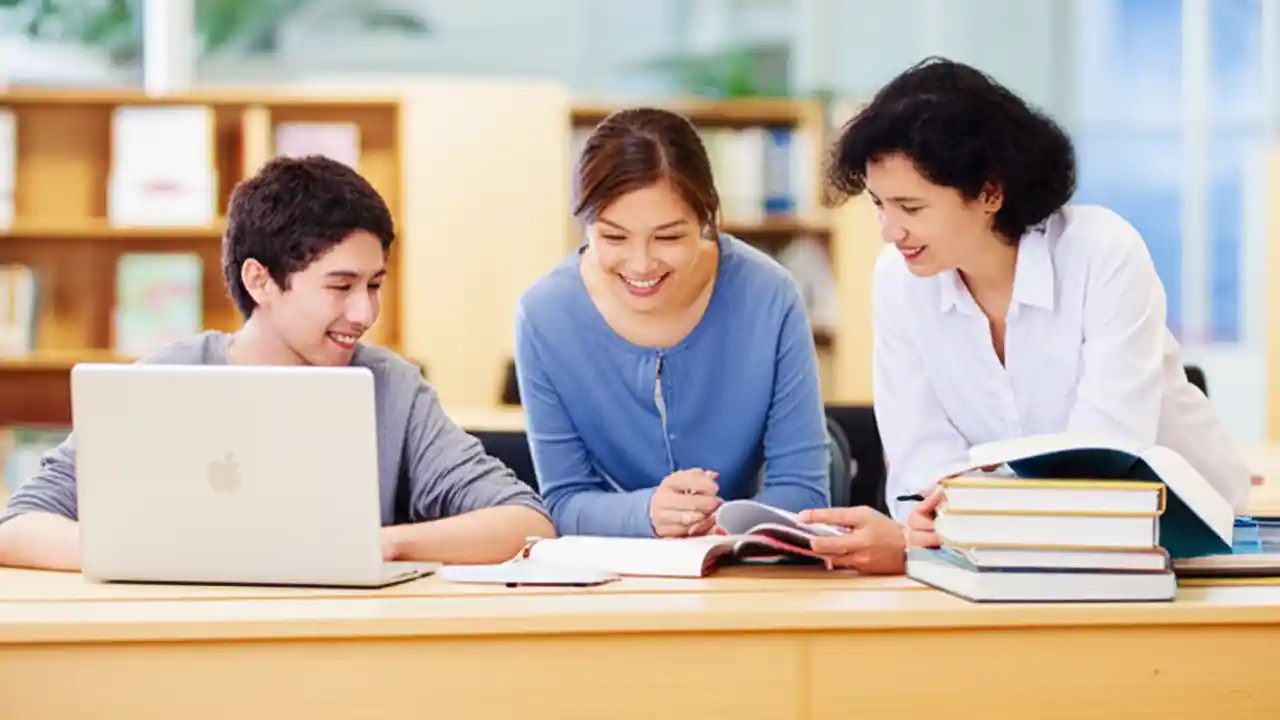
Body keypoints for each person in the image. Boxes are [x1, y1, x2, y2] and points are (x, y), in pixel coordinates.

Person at [800, 57, 1252, 573]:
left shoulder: (1103, 251)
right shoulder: (898, 280)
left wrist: (954, 520)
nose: (889, 230)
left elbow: (1101, 461)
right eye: (879, 204)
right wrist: (927, 523)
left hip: (1181, 540)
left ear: (990, 192)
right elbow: (920, 461)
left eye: (912, 208)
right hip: (990, 551)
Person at [0, 155, 555, 571]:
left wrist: (381, 543)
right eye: (340, 286)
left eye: (374, 285)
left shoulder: (392, 389)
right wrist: (153, 555)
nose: (364, 312)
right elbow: (17, 527)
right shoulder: (167, 381)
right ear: (260, 280)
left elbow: (525, 523)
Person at [515, 107, 831, 538]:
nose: (641, 264)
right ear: (585, 224)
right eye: (613, 237)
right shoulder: (544, 315)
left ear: (705, 218)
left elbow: (803, 491)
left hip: (745, 568)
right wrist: (646, 513)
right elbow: (564, 501)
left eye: (668, 237)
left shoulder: (769, 295)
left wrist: (720, 526)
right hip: (611, 578)